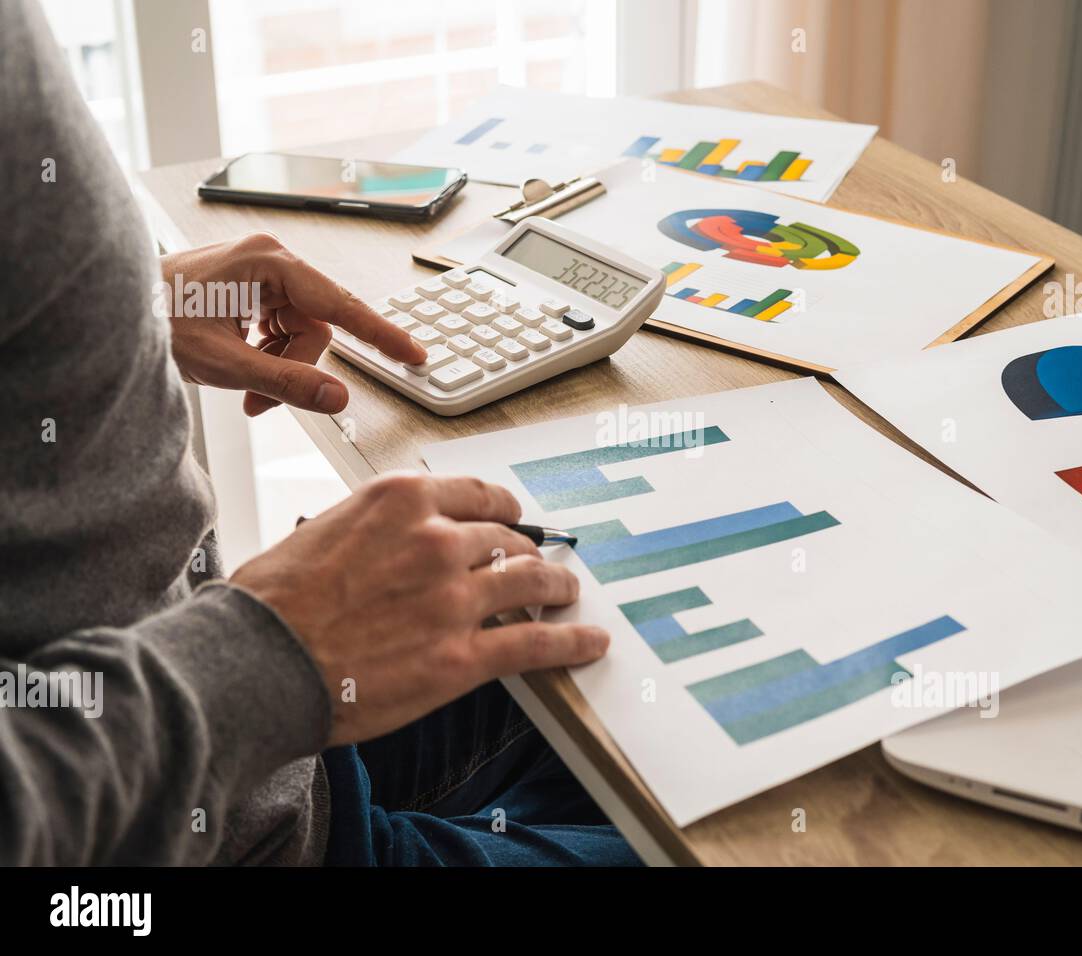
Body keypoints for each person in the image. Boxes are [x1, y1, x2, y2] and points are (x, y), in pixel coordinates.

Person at [0, 0, 637, 866]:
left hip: (243, 741)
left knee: (633, 644)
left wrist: (131, 310)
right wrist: (272, 649)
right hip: (235, 816)